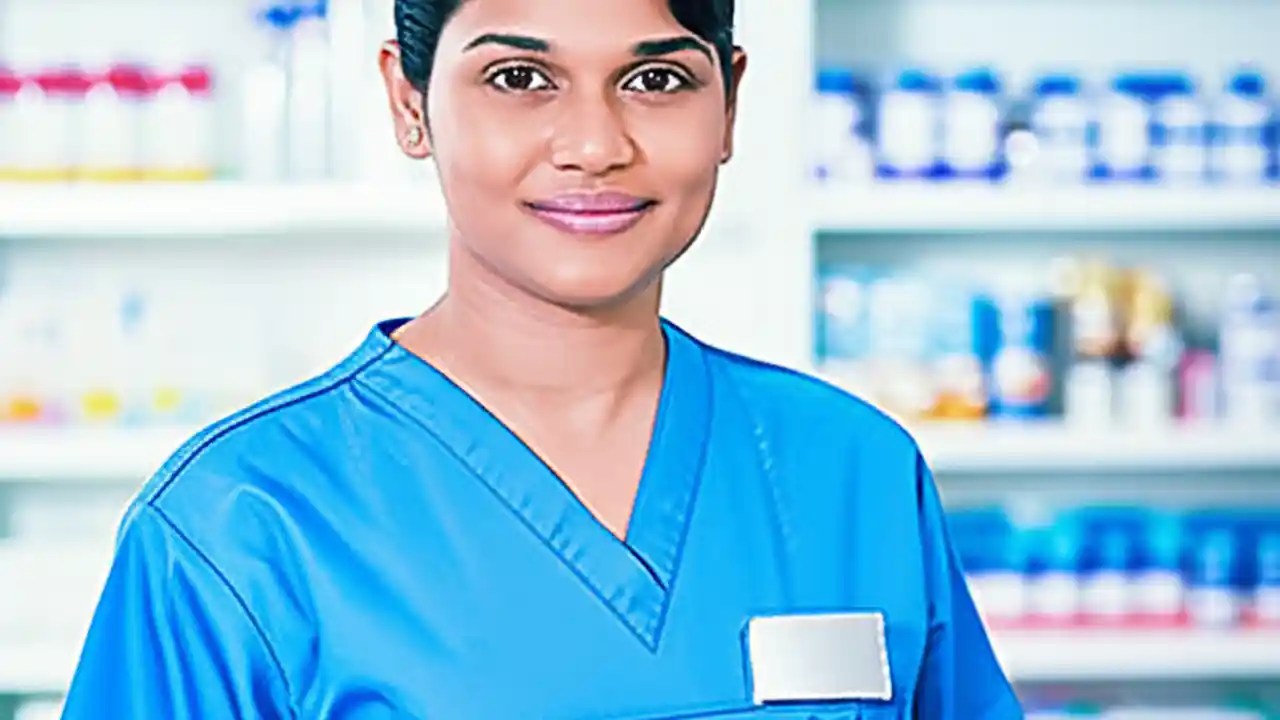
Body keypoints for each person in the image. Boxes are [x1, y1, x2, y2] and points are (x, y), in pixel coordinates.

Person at [60, 0, 1023, 717]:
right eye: (521, 78)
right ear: (409, 101)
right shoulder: (239, 523)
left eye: (657, 79)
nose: (596, 145)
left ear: (729, 104)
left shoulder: (853, 469)